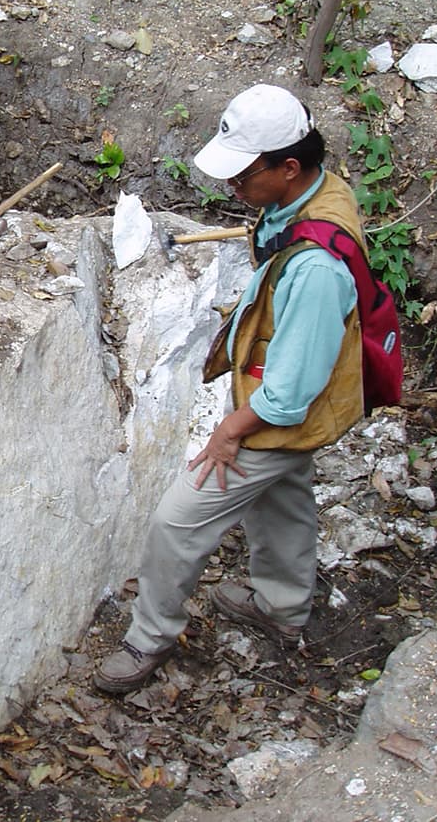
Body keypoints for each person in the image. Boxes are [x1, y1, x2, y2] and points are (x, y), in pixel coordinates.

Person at [94, 84, 365, 695]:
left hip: (280, 414)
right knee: (285, 500)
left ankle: (149, 638)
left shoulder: (317, 267)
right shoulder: (316, 196)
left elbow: (289, 397)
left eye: (243, 176)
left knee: (176, 521)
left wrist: (227, 432)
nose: (232, 189)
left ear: (288, 166)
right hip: (303, 404)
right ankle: (282, 605)